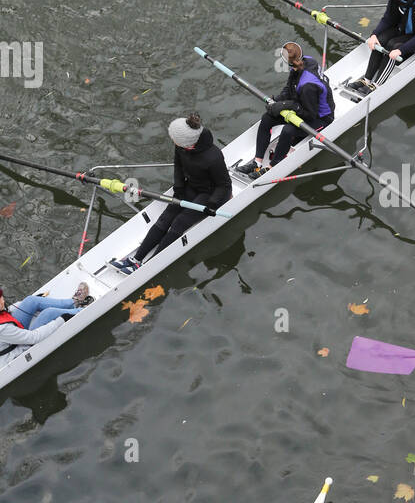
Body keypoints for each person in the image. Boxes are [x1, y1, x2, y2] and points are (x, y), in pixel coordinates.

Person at [110, 114, 231, 275]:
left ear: (188, 142)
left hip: (211, 194)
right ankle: (136, 259)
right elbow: (178, 167)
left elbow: (223, 185)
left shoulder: (213, 156)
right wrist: (179, 188)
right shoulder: (181, 146)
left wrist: (211, 204)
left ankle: (151, 263)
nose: (173, 141)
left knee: (179, 222)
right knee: (166, 217)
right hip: (191, 187)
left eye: (175, 139)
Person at [237, 43, 335, 177]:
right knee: (267, 118)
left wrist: (286, 105)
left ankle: (273, 167)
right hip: (304, 105)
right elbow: (289, 89)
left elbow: (310, 115)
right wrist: (276, 101)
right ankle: (257, 163)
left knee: (288, 130)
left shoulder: (308, 86)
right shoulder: (302, 62)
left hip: (321, 118)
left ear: (288, 62)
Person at [0, 283, 92, 363]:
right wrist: (61, 319)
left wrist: (31, 302)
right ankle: (83, 309)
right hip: (20, 349)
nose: (3, 300)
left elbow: (8, 311)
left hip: (12, 336)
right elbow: (34, 337)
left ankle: (74, 302)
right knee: (48, 313)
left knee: (31, 300)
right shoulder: (3, 329)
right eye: (0, 300)